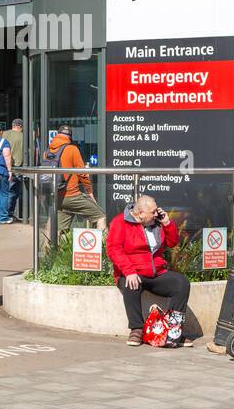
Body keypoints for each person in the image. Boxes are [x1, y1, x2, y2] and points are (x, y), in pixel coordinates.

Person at [107, 195, 190, 348]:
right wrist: (129, 271)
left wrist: (167, 223)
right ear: (140, 214)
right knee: (130, 283)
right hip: (132, 271)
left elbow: (173, 243)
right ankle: (136, 329)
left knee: (181, 283)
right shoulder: (120, 222)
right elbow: (113, 249)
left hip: (156, 272)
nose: (156, 214)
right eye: (152, 212)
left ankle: (173, 329)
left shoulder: (157, 223)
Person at [47, 125, 105, 234]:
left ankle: (54, 250)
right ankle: (101, 248)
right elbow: (83, 174)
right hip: (72, 195)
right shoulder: (72, 149)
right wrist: (90, 192)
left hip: (57, 196)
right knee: (101, 216)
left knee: (61, 230)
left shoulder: (49, 151)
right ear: (69, 137)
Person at [3, 118, 25, 221]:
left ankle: (2, 214)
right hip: (16, 167)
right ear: (20, 126)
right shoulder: (23, 136)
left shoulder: (4, 134)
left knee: (2, 192)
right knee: (12, 192)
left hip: (3, 166)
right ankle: (9, 214)